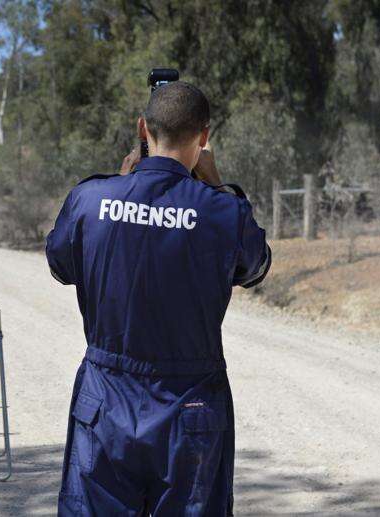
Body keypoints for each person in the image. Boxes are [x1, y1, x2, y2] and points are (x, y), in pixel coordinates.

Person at [45, 81, 271, 516]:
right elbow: (256, 267)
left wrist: (123, 185)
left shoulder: (90, 199)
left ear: (142, 128)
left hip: (106, 400)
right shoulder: (224, 212)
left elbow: (60, 266)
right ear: (204, 138)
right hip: (192, 406)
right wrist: (218, 188)